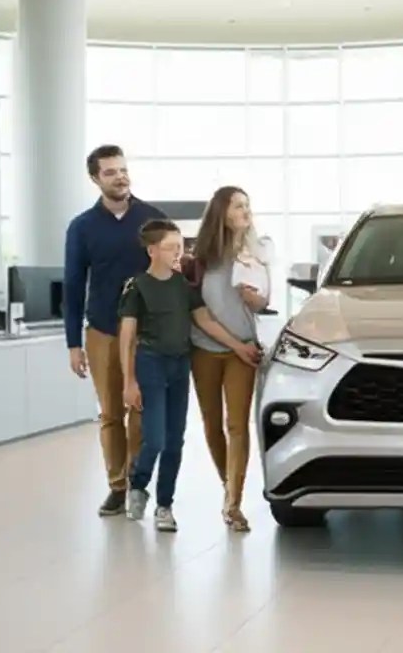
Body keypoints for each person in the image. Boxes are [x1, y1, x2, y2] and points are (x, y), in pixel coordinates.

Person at [118, 220, 247, 531]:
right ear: (152, 251)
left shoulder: (184, 287)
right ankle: (138, 484)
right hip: (151, 364)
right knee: (156, 438)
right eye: (171, 247)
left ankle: (165, 505)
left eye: (181, 246)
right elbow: (127, 336)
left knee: (176, 441)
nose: (179, 252)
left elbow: (204, 320)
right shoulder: (137, 287)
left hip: (179, 365)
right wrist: (129, 382)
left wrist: (238, 346)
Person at [64, 145, 167, 517]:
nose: (120, 176)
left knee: (140, 410)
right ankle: (117, 487)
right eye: (110, 172)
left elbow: (170, 274)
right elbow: (74, 287)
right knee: (110, 413)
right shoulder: (82, 227)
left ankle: (137, 481)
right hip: (103, 332)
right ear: (95, 178)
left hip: (146, 331)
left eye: (123, 170)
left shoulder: (153, 220)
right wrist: (73, 344)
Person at [186, 186, 271, 532]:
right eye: (238, 205)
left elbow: (264, 302)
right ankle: (228, 484)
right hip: (206, 348)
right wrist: (235, 345)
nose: (246, 210)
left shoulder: (258, 252)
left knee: (237, 425)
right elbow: (200, 315)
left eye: (248, 204)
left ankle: (232, 502)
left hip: (244, 351)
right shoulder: (197, 261)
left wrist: (255, 300)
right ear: (222, 212)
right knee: (212, 424)